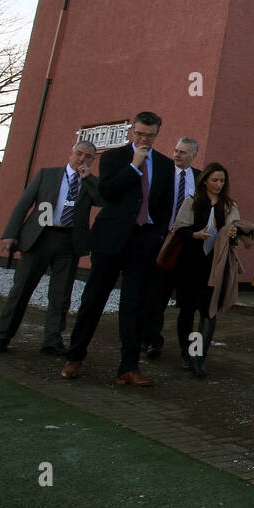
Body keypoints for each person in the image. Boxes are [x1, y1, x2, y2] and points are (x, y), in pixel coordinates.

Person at [61, 111, 174, 386]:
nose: (144, 139)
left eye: (149, 135)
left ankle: (129, 367)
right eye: (139, 134)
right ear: (132, 132)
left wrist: (157, 236)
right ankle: (74, 357)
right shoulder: (114, 157)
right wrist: (134, 167)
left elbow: (164, 206)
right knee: (93, 301)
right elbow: (107, 193)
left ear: (157, 134)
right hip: (110, 240)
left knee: (134, 306)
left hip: (143, 243)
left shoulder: (165, 165)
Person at [0, 140, 101, 354]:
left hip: (69, 242)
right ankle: (3, 336)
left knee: (60, 295)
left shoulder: (90, 183)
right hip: (40, 237)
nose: (82, 159)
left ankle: (52, 340)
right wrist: (10, 235)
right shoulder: (47, 175)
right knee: (21, 290)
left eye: (88, 156)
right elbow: (24, 204)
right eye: (79, 154)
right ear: (71, 153)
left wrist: (88, 178)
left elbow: (102, 201)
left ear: (93, 160)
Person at [170, 161, 238, 377]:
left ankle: (198, 356)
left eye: (222, 181)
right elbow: (179, 229)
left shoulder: (228, 206)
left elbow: (235, 231)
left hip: (214, 267)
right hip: (191, 264)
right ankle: (186, 353)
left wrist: (233, 234)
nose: (218, 184)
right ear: (205, 181)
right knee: (187, 311)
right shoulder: (193, 202)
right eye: (215, 180)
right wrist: (194, 234)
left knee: (209, 312)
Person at [142, 135, 201, 359]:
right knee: (157, 296)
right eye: (176, 150)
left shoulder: (200, 178)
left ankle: (188, 349)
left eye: (183, 152)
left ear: (193, 155)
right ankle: (151, 341)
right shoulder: (163, 174)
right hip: (163, 243)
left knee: (187, 302)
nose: (177, 154)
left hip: (188, 247)